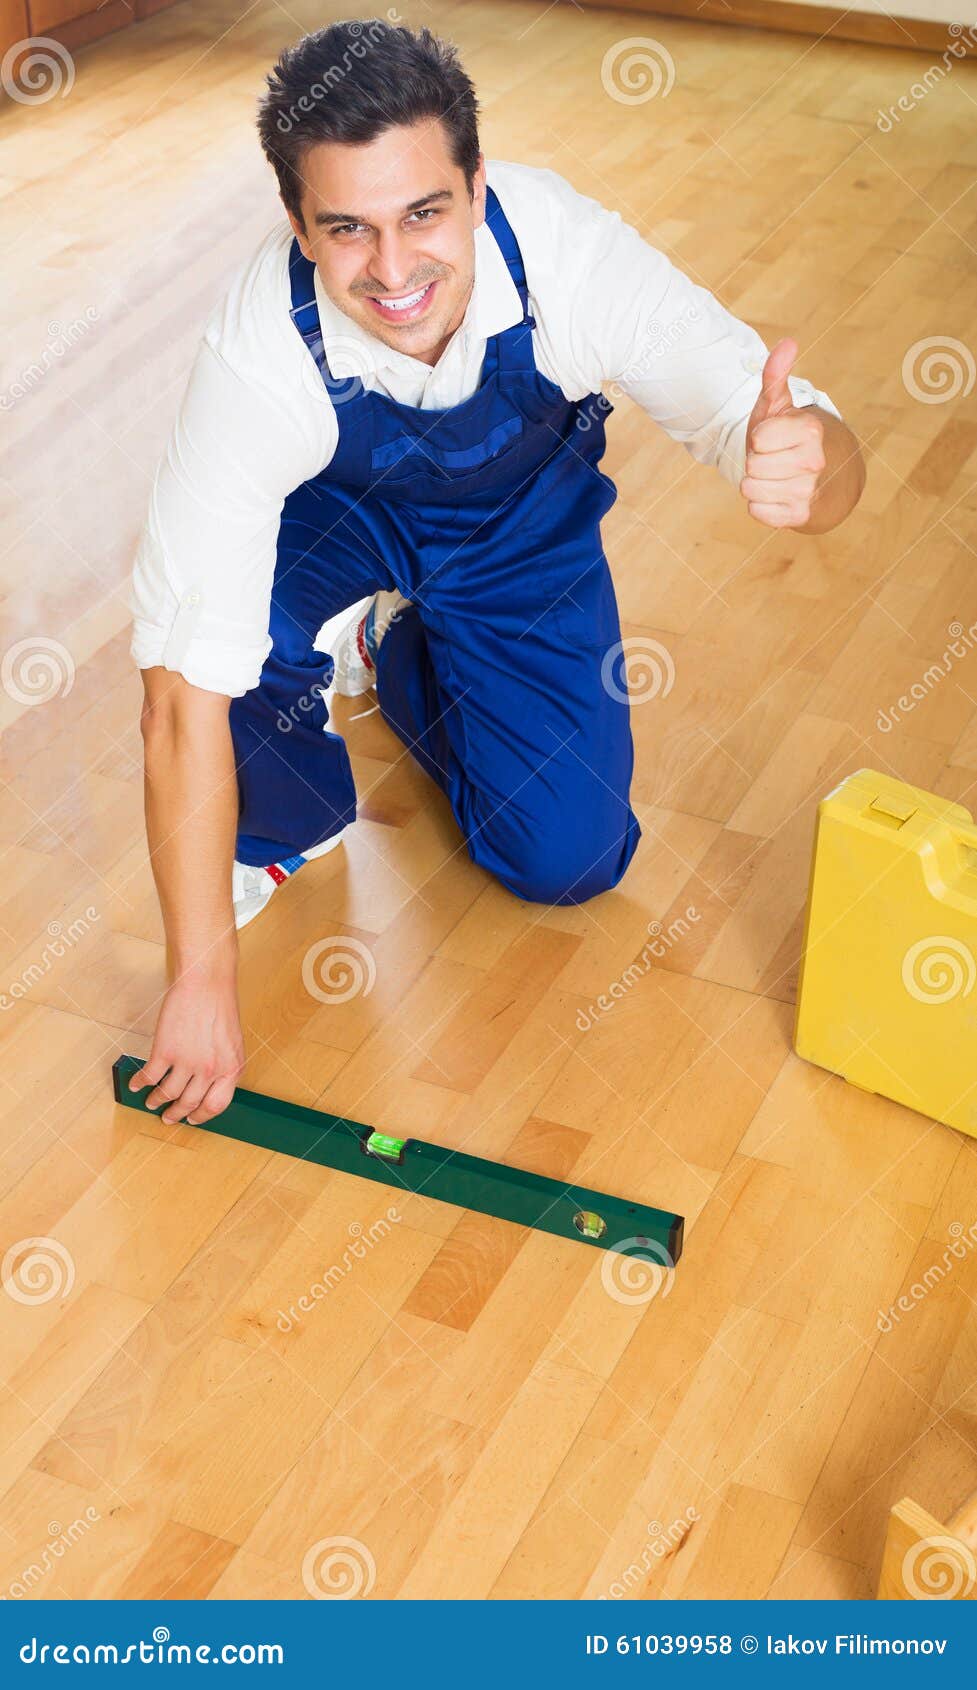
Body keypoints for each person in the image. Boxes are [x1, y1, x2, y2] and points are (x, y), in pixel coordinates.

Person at [127, 19, 866, 1128]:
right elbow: (178, 697)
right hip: (331, 518)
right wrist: (198, 981)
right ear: (297, 223)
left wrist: (811, 471)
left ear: (475, 185)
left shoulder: (570, 257)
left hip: (513, 526)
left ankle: (405, 649)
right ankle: (291, 815)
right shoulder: (257, 357)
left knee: (569, 860)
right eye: (346, 229)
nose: (391, 269)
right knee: (222, 658)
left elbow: (807, 442)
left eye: (423, 212)